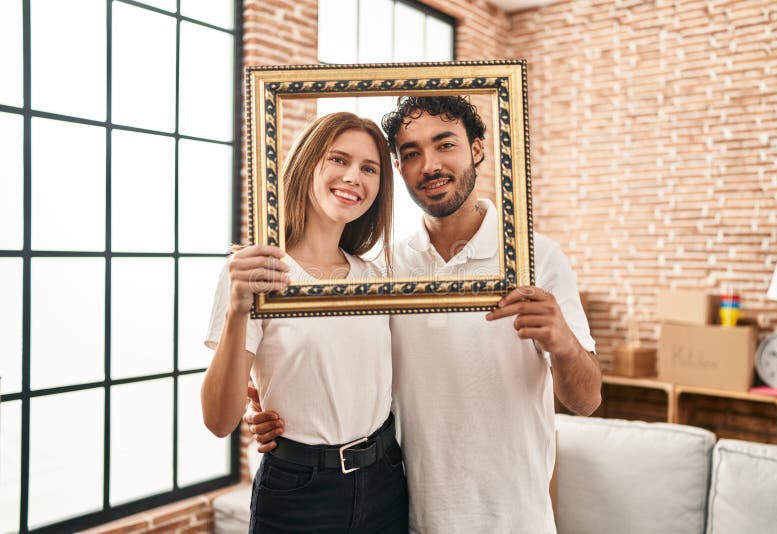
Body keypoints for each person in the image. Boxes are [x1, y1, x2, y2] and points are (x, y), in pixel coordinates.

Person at [247, 96, 602, 533]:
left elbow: (586, 401)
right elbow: (348, 372)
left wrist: (563, 343)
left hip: (515, 521)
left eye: (444, 144)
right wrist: (271, 407)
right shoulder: (383, 271)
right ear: (398, 167)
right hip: (406, 516)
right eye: (411, 153)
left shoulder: (536, 258)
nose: (429, 164)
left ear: (477, 148)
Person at [202, 112, 408, 533]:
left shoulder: (376, 278)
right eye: (338, 159)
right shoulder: (257, 270)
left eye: (369, 168)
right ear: (309, 163)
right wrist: (239, 309)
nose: (354, 176)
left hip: (385, 478)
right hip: (299, 491)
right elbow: (219, 421)